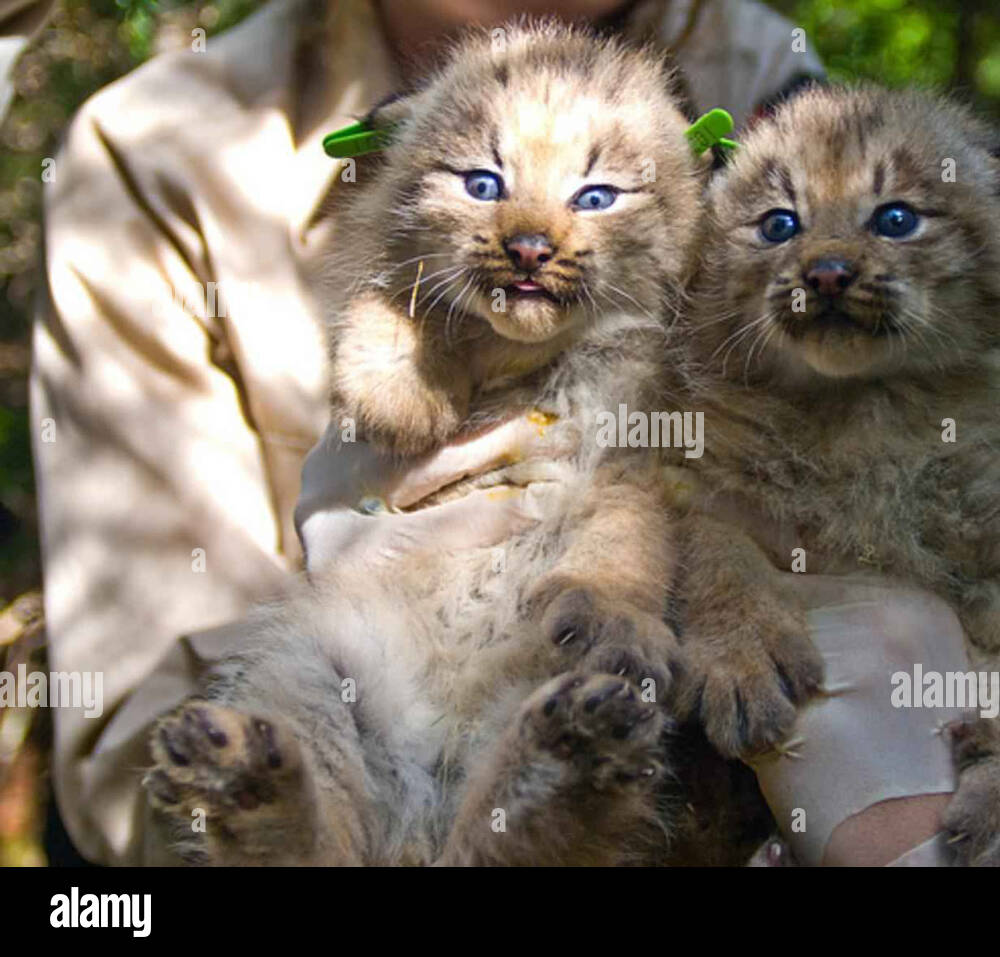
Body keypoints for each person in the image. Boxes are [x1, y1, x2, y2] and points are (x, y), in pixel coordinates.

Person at [26, 0, 825, 866]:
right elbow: (134, 744)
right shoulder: (154, 144)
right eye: (482, 183)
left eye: (593, 196)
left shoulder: (759, 66)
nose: (531, 239)